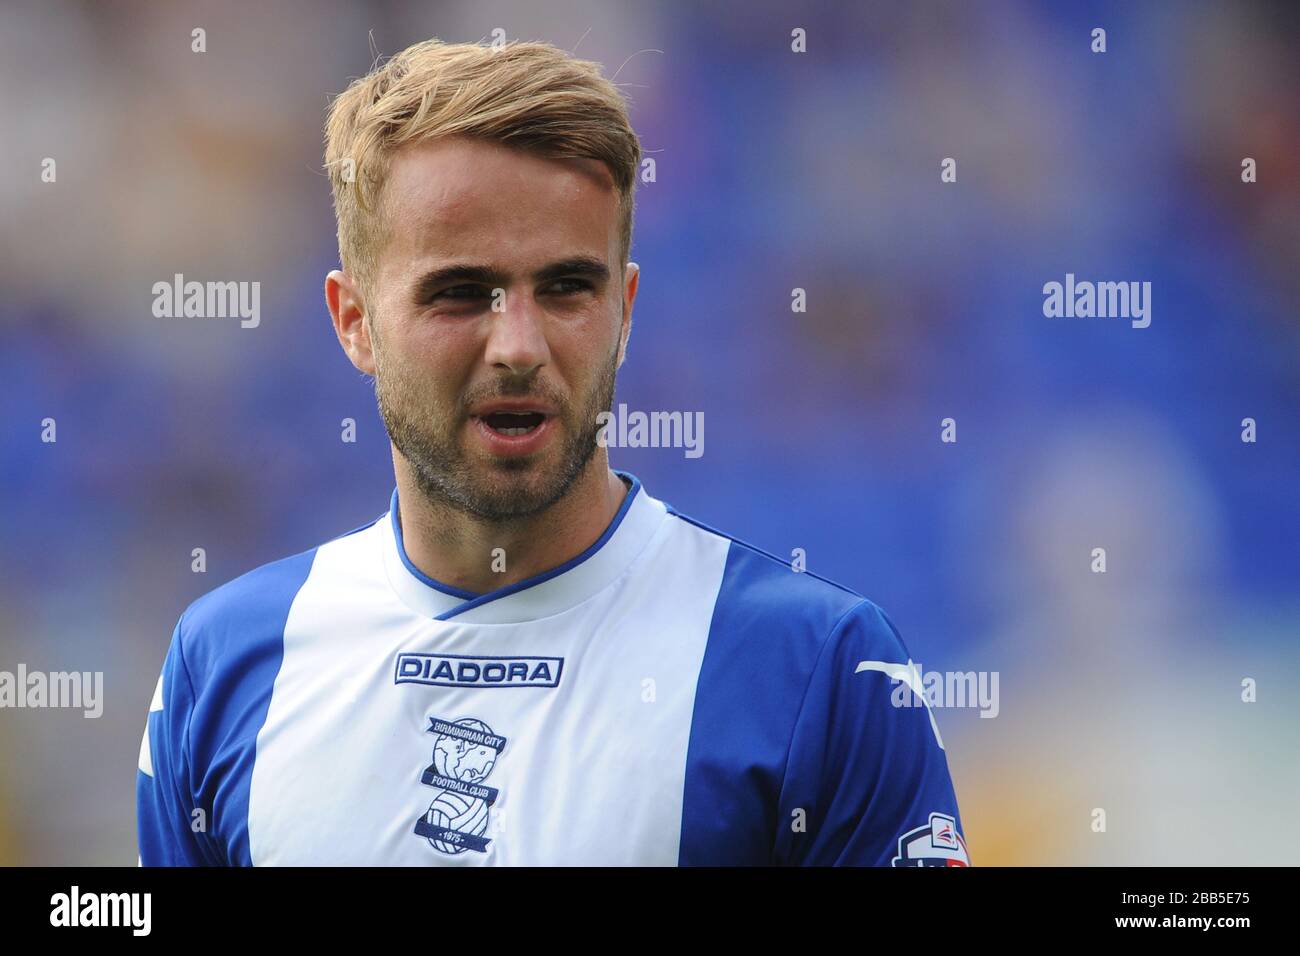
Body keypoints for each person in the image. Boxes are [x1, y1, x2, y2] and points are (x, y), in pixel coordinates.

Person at [136, 37, 967, 866]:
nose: (519, 346)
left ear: (626, 308)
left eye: (567, 288)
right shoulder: (224, 667)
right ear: (353, 320)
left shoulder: (820, 666)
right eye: (461, 293)